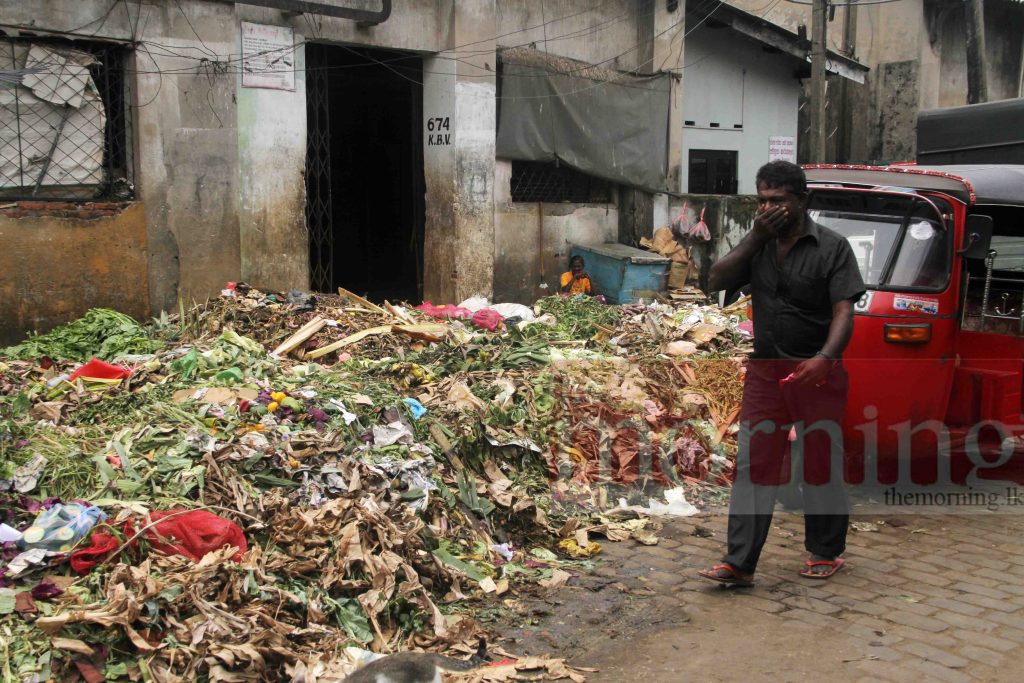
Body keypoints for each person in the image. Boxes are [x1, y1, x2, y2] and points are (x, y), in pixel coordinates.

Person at [698, 160, 865, 586]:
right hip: (766, 372)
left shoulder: (833, 248)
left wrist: (825, 357)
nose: (768, 208)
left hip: (817, 372)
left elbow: (844, 311)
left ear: (802, 200)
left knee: (819, 462)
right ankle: (739, 563)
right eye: (762, 201)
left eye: (778, 200)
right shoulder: (758, 244)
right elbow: (714, 279)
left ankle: (825, 551)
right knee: (754, 463)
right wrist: (755, 236)